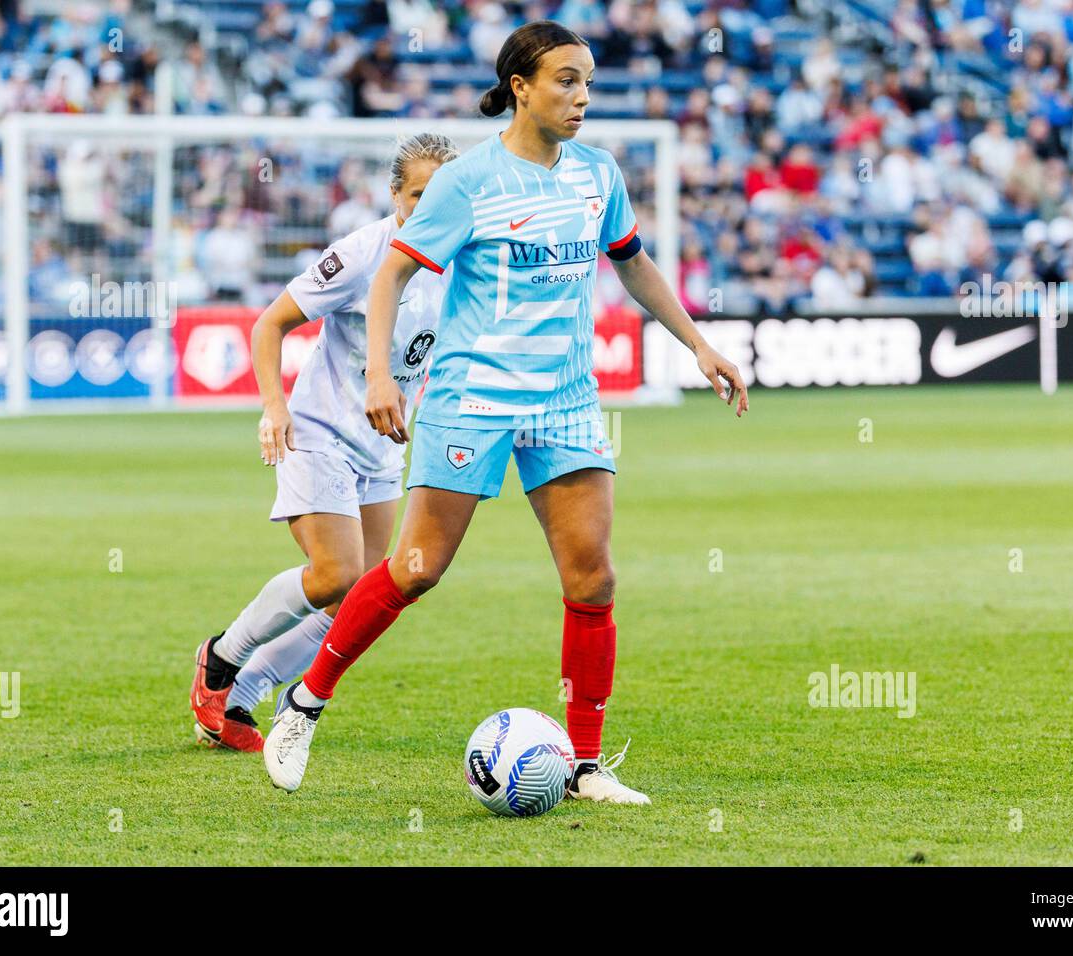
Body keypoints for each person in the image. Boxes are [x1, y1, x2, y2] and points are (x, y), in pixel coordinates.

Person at [262, 20, 748, 803]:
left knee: (593, 579)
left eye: (587, 81)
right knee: (417, 569)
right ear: (520, 87)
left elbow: (632, 261)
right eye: (565, 79)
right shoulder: (468, 182)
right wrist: (380, 373)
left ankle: (586, 765)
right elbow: (389, 276)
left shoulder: (597, 172)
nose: (581, 95)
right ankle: (305, 701)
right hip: (471, 399)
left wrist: (699, 344)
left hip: (563, 401)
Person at [189, 133, 458, 750]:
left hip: (383, 448)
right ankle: (221, 657)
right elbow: (270, 323)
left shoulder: (459, 261)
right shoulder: (364, 254)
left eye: (442, 196)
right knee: (337, 573)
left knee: (358, 598)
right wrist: (273, 407)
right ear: (395, 194)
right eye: (418, 194)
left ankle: (243, 697)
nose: (429, 207)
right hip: (320, 434)